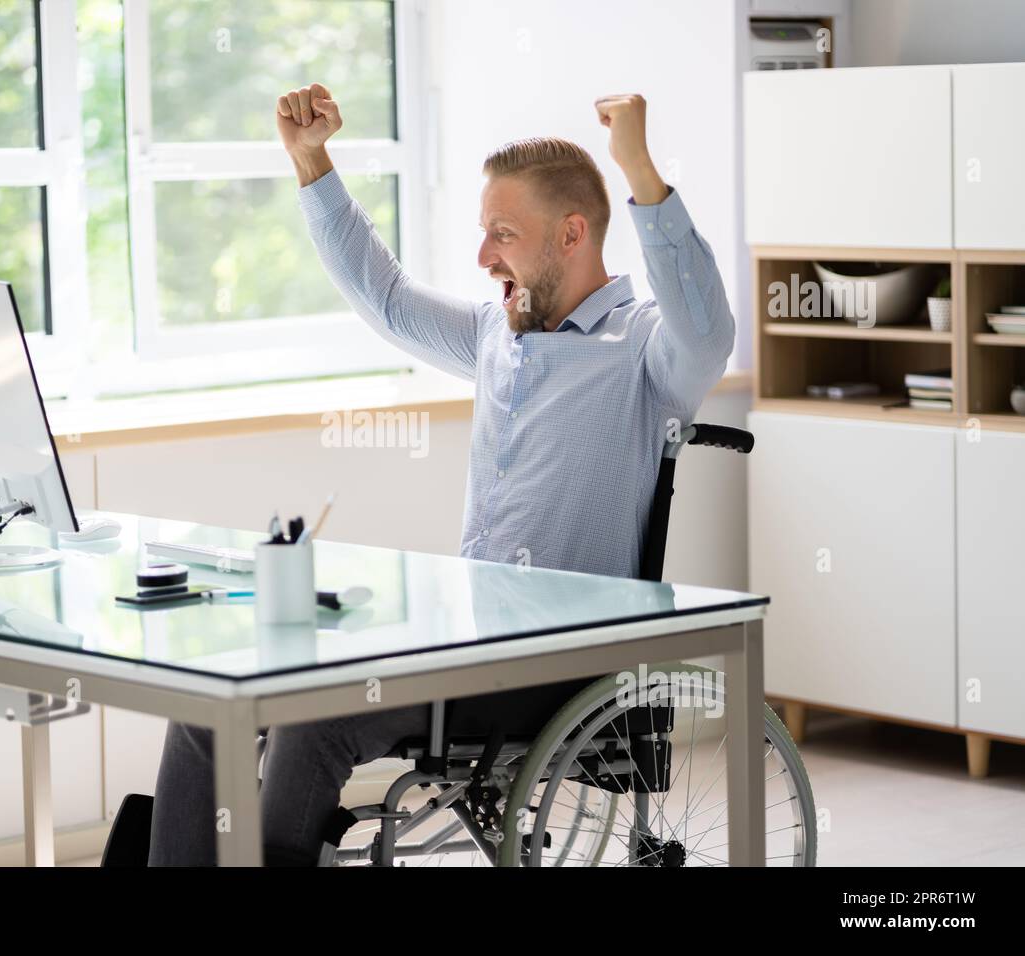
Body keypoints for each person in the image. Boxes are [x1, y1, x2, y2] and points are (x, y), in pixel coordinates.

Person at [149, 84, 735, 866]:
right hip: (461, 639)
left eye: (503, 234)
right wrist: (312, 163)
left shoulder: (645, 351)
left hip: (556, 661)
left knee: (311, 719)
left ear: (572, 234)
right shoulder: (499, 333)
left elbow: (710, 331)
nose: (483, 255)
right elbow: (387, 298)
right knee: (211, 692)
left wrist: (639, 170)